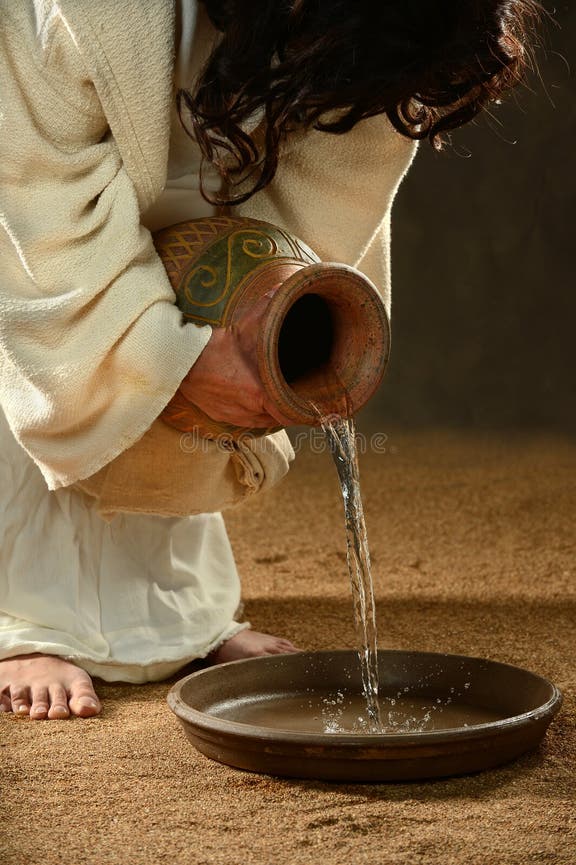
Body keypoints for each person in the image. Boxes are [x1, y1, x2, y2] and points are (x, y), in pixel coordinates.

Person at [0, 0, 540, 719]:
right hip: (22, 152)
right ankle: (22, 616)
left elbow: (325, 194)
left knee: (196, 307)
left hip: (249, 66)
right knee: (71, 327)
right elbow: (33, 200)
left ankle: (177, 611)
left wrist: (252, 340)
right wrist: (168, 361)